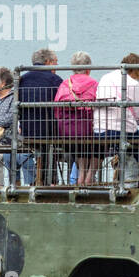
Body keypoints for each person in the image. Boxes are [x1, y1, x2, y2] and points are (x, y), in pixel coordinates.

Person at [94, 53, 139, 180]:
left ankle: (92, 178)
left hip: (99, 129)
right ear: (137, 70)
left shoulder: (105, 77)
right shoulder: (133, 83)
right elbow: (137, 116)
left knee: (102, 148)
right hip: (121, 129)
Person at [18, 48, 63, 185]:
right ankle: (51, 181)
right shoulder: (55, 80)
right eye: (55, 62)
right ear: (48, 62)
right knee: (49, 150)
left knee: (41, 150)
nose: (57, 66)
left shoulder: (22, 79)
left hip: (27, 130)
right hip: (50, 131)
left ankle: (37, 180)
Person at [54, 52, 98, 185]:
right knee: (96, 144)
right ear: (89, 69)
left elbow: (56, 109)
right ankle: (89, 175)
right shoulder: (94, 84)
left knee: (78, 145)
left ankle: (81, 174)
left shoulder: (65, 84)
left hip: (67, 132)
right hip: (88, 130)